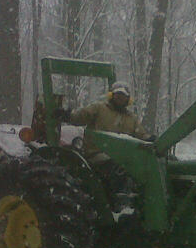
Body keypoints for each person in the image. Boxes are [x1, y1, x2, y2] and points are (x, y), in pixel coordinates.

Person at [54, 81, 153, 210]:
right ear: (112, 95)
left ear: (128, 100)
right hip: (96, 153)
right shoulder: (99, 109)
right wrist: (67, 115)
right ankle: (118, 204)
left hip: (123, 156)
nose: (120, 98)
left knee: (140, 168)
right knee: (117, 168)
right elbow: (80, 117)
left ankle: (138, 199)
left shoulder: (132, 118)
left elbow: (141, 134)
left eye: (123, 96)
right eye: (118, 95)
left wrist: (150, 139)